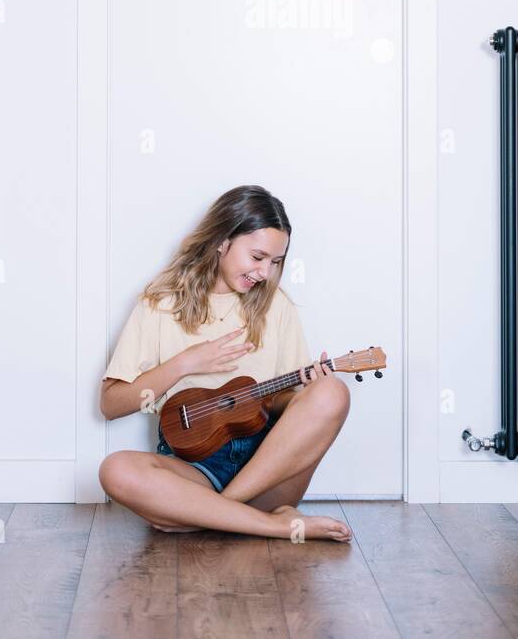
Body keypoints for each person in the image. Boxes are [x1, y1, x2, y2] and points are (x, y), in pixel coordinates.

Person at [98, 185, 352, 542]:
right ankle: (271, 524)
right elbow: (110, 404)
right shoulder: (160, 305)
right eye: (258, 257)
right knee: (116, 470)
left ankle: (211, 513)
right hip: (192, 468)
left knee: (332, 392)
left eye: (276, 262)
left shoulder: (276, 307)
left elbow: (285, 406)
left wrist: (307, 392)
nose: (265, 272)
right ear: (222, 241)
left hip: (264, 468)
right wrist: (186, 362)